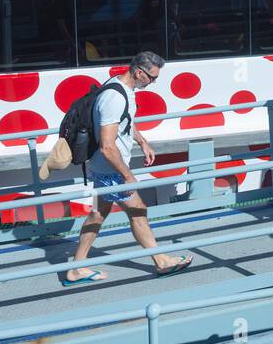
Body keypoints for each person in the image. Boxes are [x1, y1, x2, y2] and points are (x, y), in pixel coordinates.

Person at [64, 51, 193, 285]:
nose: (153, 83)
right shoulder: (115, 98)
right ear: (139, 72)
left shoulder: (120, 89)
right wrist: (128, 175)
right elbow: (107, 146)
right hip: (111, 169)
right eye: (152, 78)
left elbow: (124, 123)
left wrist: (142, 142)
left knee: (98, 212)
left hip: (102, 168)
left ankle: (75, 268)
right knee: (138, 211)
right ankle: (161, 261)